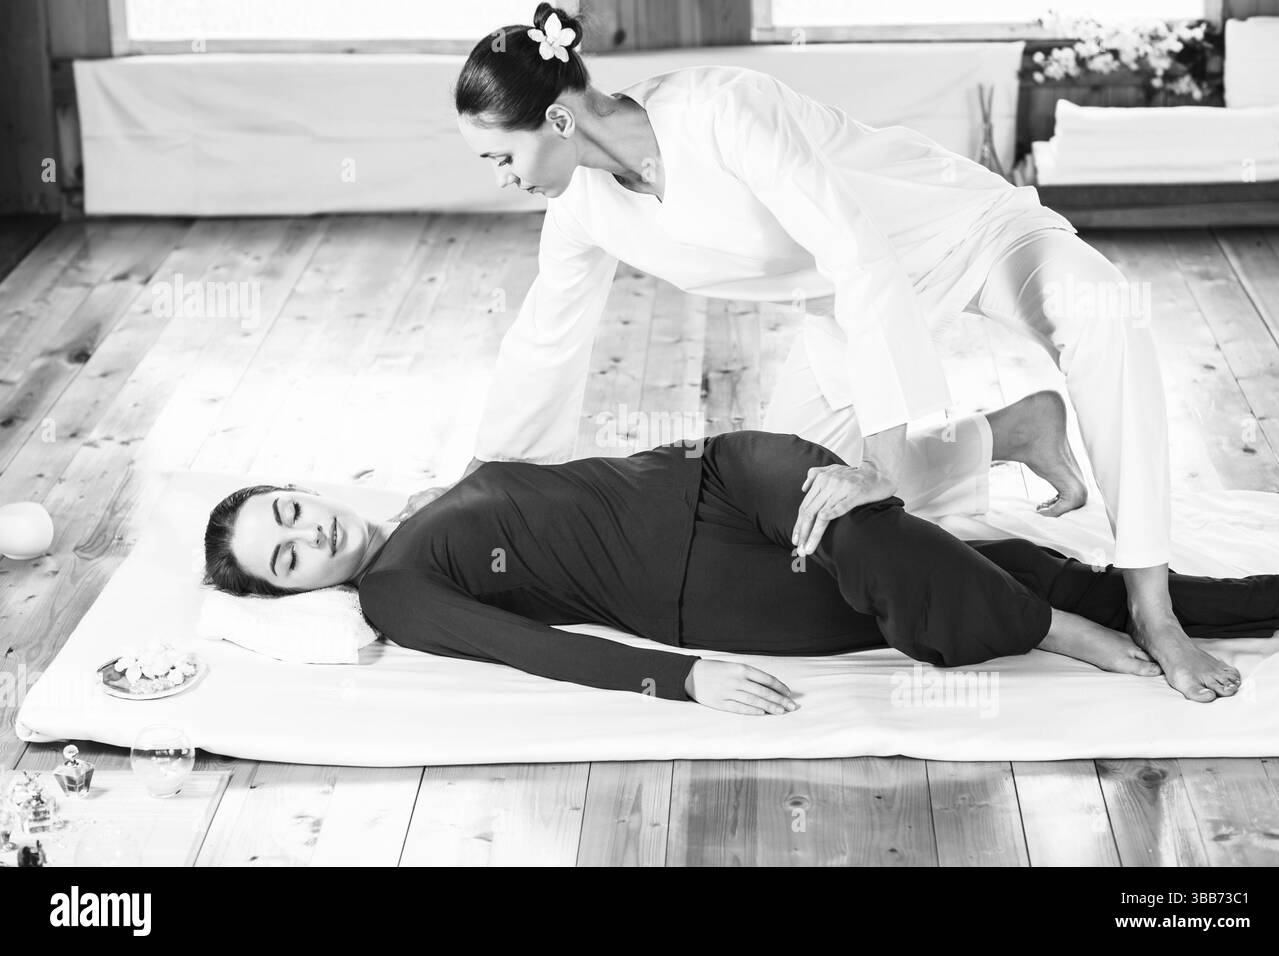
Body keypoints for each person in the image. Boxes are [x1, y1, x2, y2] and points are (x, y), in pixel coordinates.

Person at [452, 5, 1228, 701]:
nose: (503, 181)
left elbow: (859, 252)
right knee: (806, 525)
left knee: (1107, 317)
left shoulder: (720, 109)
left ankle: (1152, 607)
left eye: (500, 157)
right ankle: (1013, 434)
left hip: (966, 235)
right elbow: (543, 345)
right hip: (844, 314)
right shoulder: (582, 210)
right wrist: (479, 489)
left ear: (556, 120)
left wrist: (883, 461)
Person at [202, 428, 1279, 717]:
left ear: (301, 484)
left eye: (289, 512)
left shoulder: (410, 489)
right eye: (285, 558)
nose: (311, 537)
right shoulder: (394, 588)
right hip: (705, 590)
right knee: (974, 559)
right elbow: (532, 649)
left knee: (866, 518)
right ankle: (1244, 607)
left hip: (729, 468)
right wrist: (678, 678)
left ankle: (1051, 621)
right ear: (290, 591)